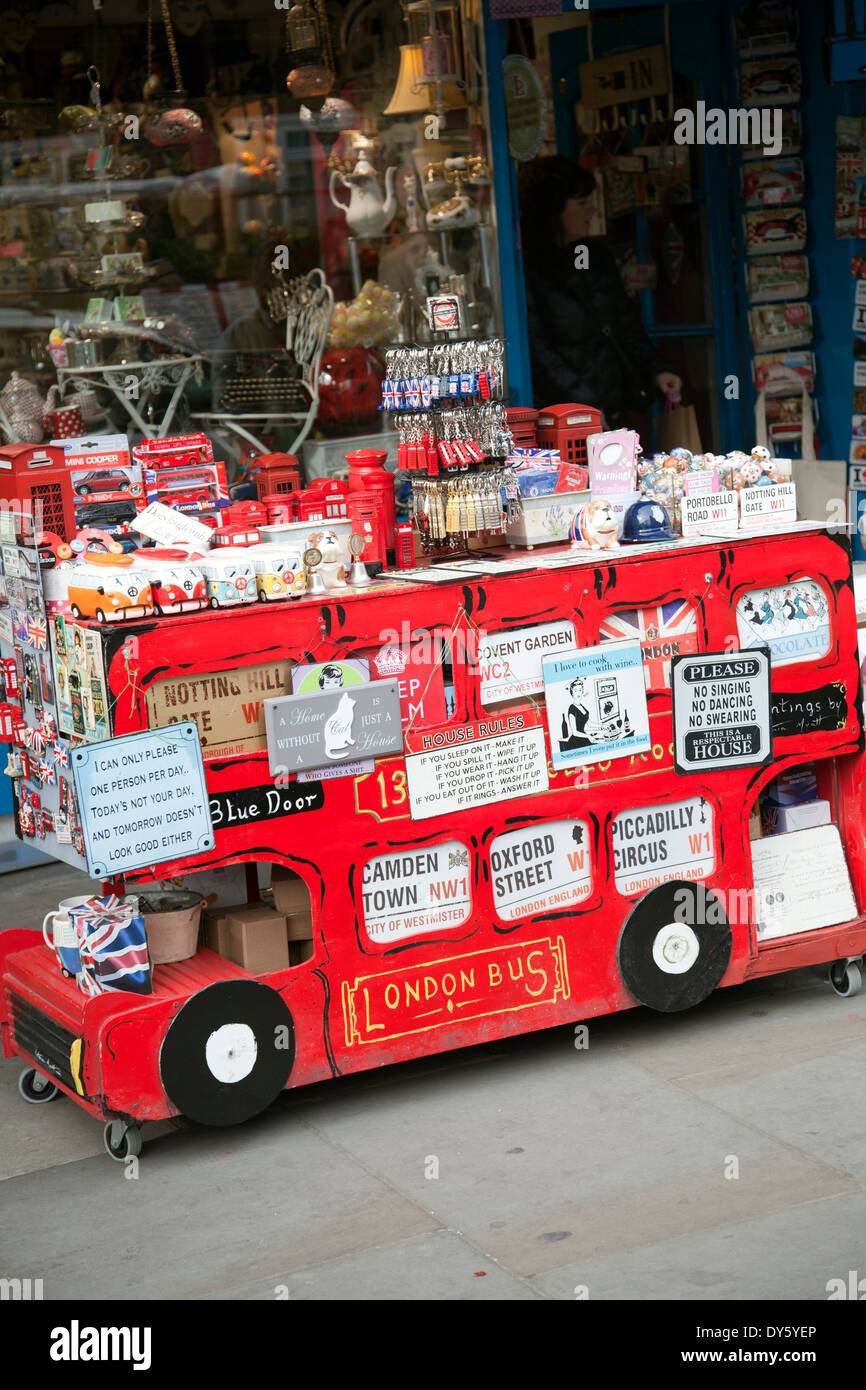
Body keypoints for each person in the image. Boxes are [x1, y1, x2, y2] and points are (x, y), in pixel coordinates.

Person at [518, 156, 681, 426]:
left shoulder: (594, 256)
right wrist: (585, 406)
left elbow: (625, 324)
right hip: (562, 420)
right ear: (553, 210)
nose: (592, 209)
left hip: (612, 408)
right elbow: (539, 353)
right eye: (582, 203)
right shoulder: (527, 270)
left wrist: (658, 369)